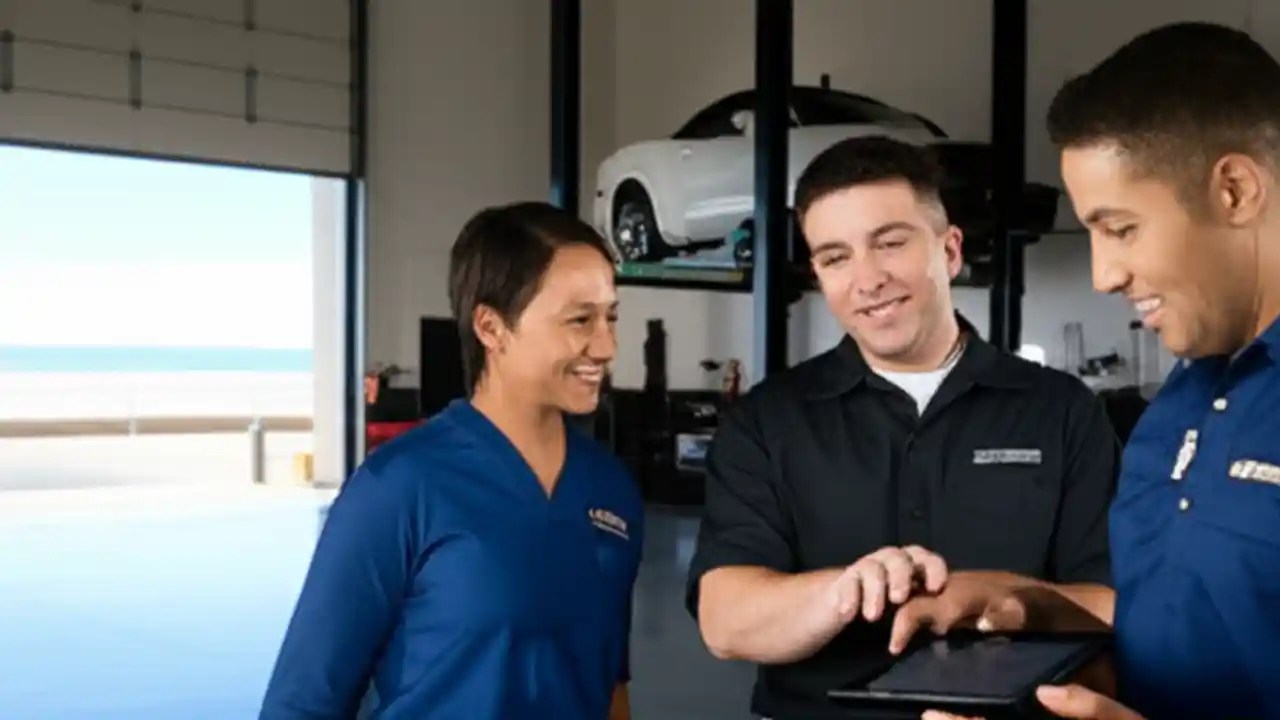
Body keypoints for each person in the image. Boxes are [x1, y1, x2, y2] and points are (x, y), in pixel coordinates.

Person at [901, 21, 1280, 720]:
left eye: (1121, 227)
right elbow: (1178, 646)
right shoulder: (1177, 408)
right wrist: (1033, 614)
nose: (1104, 274)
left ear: (1234, 190)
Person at [684, 135, 1119, 719]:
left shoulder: (1062, 410)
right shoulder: (769, 421)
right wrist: (846, 590)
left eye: (889, 243)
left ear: (951, 250)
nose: (867, 279)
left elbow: (1109, 602)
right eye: (836, 258)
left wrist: (1006, 598)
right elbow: (724, 622)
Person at [258, 202, 643, 720]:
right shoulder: (398, 487)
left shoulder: (611, 490)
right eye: (580, 320)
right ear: (491, 327)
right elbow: (303, 702)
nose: (606, 345)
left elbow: (608, 686)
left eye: (610, 317)